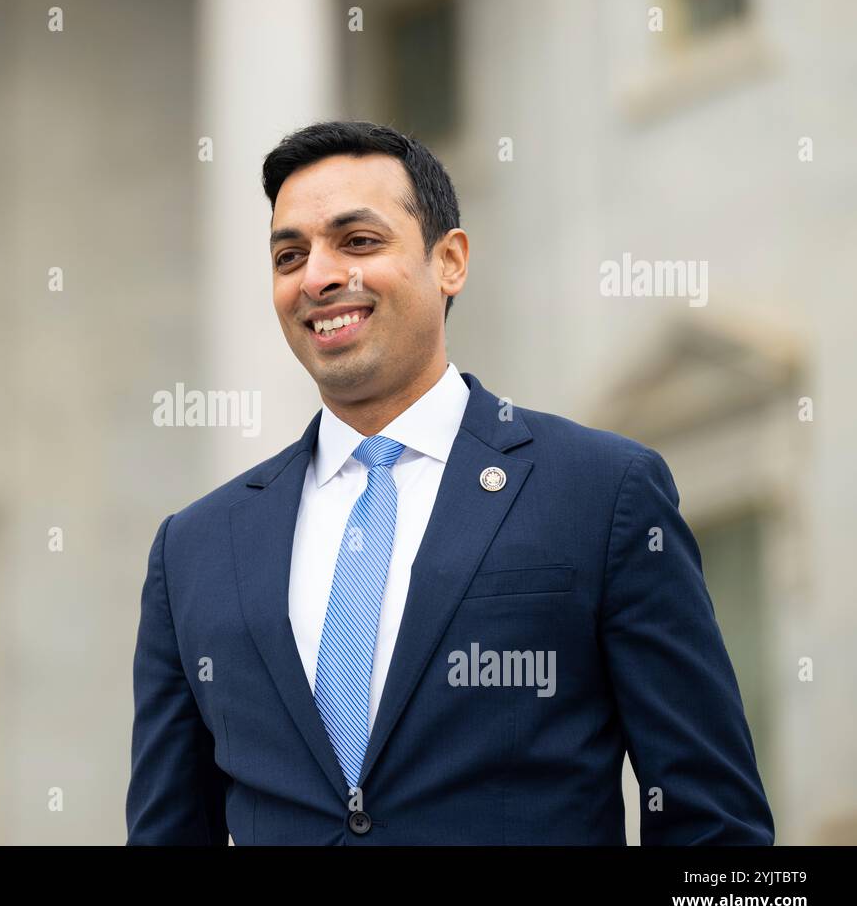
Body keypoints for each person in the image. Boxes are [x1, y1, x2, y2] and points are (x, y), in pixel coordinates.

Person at [125, 120, 773, 845]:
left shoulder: (601, 493)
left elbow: (714, 825)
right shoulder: (195, 551)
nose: (317, 276)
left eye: (358, 242)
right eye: (289, 255)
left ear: (450, 262)